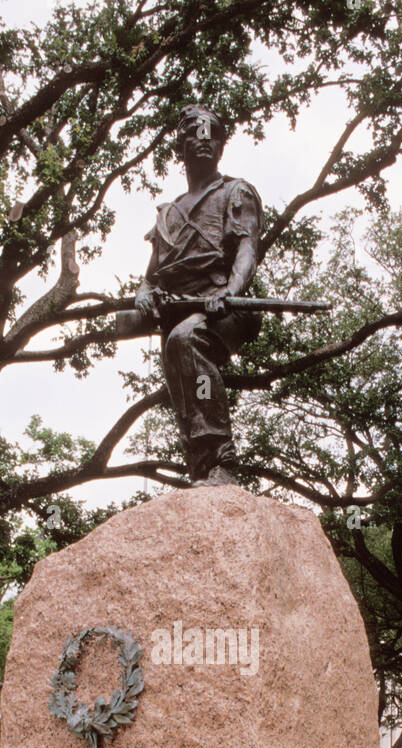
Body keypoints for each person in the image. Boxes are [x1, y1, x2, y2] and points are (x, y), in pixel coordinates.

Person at [135, 105, 263, 484]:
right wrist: (144, 295)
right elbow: (151, 276)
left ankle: (222, 457)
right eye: (194, 134)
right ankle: (200, 465)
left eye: (212, 135)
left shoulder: (235, 193)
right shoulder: (169, 213)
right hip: (179, 310)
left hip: (224, 307)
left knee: (188, 340)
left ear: (221, 145)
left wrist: (229, 291)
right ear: (182, 146)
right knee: (179, 365)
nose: (204, 141)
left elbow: (247, 251)